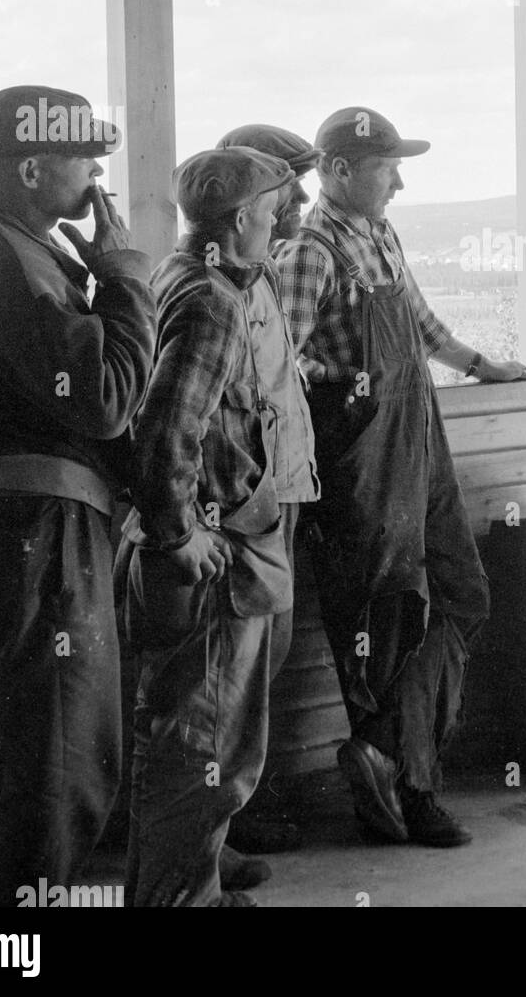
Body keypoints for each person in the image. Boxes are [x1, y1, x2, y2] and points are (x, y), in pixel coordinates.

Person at [275, 106, 526, 847]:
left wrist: (483, 368)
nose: (400, 181)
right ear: (339, 170)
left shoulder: (379, 232)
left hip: (420, 443)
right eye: (387, 167)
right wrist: (342, 377)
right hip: (359, 462)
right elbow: (274, 365)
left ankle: (382, 749)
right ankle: (406, 794)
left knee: (463, 593)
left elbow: (419, 326)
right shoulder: (309, 251)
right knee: (382, 627)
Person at [0, 85, 156, 907]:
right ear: (32, 166)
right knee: (65, 760)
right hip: (42, 535)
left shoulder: (1, 239)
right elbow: (104, 397)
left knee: (20, 747)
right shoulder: (11, 263)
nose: (99, 170)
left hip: (12, 527)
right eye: (83, 156)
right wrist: (127, 277)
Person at [122, 146, 298, 907]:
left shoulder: (179, 273)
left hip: (209, 550)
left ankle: (193, 890)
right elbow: (167, 430)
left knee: (188, 743)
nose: (278, 222)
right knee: (203, 755)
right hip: (210, 562)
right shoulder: (213, 302)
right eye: (268, 213)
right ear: (236, 220)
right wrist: (178, 533)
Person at [213, 123, 322, 853]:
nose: (300, 197)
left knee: (260, 666)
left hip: (279, 496)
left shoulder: (265, 276)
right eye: (288, 182)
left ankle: (225, 829)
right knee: (232, 675)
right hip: (246, 508)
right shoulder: (215, 286)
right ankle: (211, 840)